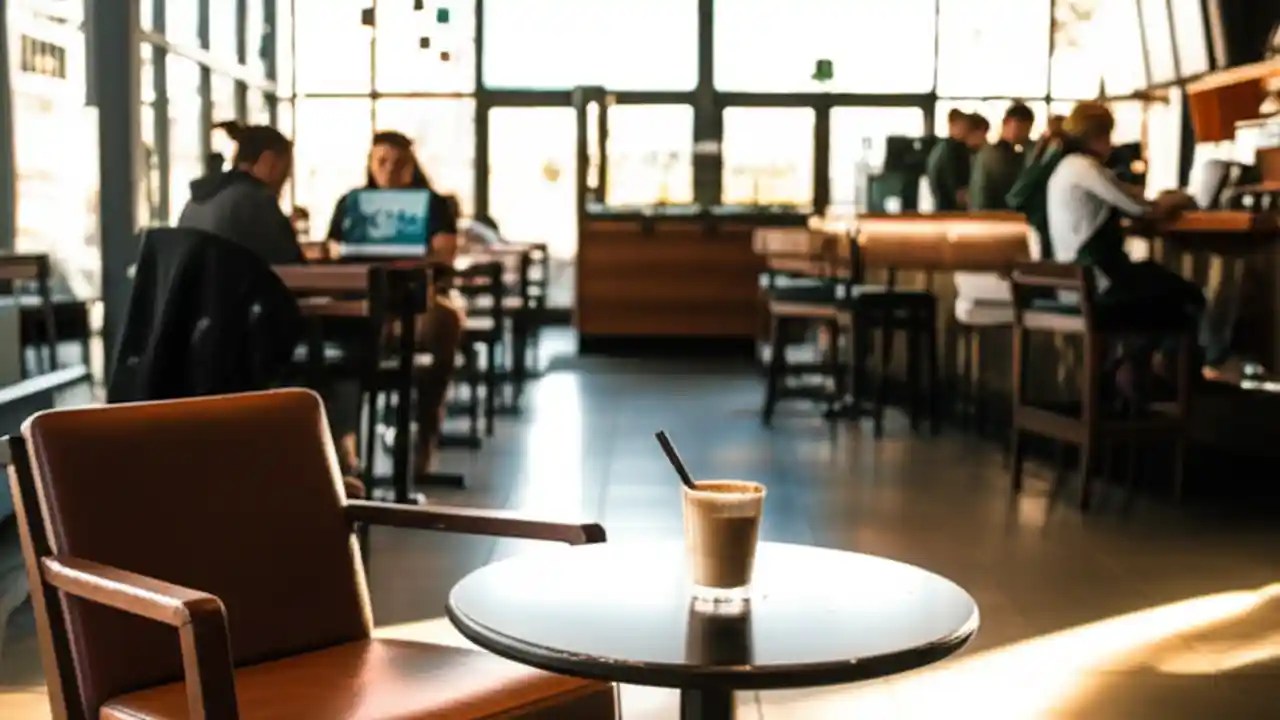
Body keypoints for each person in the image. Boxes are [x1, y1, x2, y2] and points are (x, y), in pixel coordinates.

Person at [327, 131, 466, 480]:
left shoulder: (433, 204)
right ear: (370, 165)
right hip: (361, 297)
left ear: (412, 166)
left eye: (399, 162)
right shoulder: (350, 203)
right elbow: (332, 248)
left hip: (419, 299)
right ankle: (346, 446)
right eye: (382, 162)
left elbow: (446, 251)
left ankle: (422, 441)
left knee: (443, 325)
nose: (390, 169)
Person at [1045, 102, 1207, 399]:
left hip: (1077, 286)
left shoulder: (1067, 169)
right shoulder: (1085, 167)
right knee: (1188, 298)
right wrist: (1176, 201)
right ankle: (1144, 378)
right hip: (1099, 286)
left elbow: (1122, 195)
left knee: (1156, 287)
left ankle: (1128, 373)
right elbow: (1140, 208)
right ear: (1099, 135)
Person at [178, 122, 302, 265]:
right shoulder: (255, 201)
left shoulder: (195, 201)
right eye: (284, 172)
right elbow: (293, 267)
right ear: (268, 162)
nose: (282, 184)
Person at [970, 103, 1036, 211]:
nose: (1025, 134)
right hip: (993, 216)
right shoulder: (992, 155)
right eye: (1021, 128)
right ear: (1006, 122)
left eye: (1028, 129)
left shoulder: (1016, 154)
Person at [926, 110, 975, 211]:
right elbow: (951, 181)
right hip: (950, 208)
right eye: (963, 125)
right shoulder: (950, 151)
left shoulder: (940, 148)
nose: (966, 130)